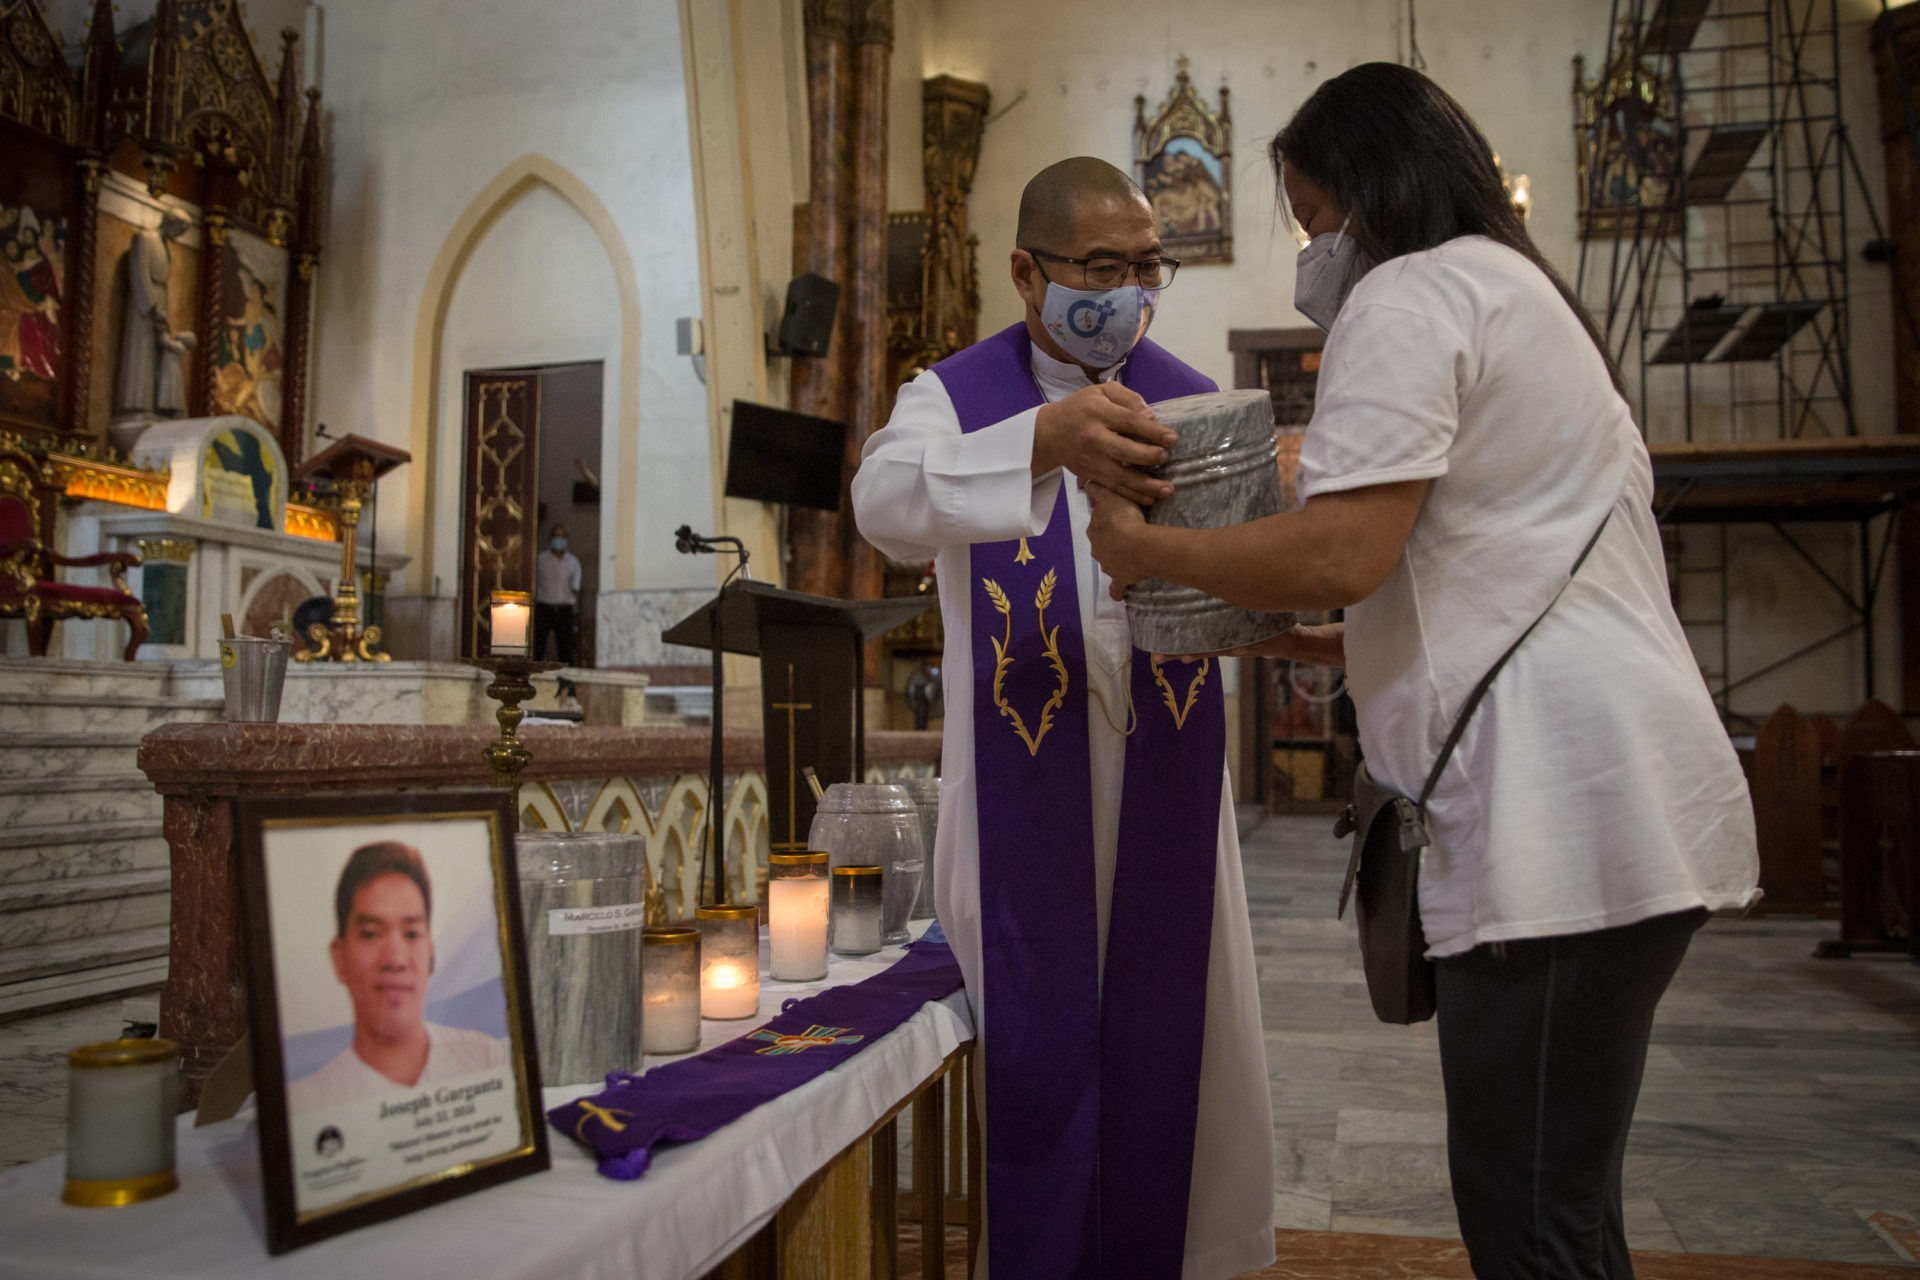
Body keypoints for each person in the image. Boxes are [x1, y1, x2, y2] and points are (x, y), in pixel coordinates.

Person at [1085, 64, 1759, 1280]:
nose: (1310, 252)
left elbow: (1346, 549)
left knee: (1528, 1213)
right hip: (1612, 802)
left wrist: (1148, 550)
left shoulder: (1409, 293)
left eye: (1308, 220)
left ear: (1368, 191)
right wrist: (1291, 639)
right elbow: (1473, 585)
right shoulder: (1514, 291)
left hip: (1560, 817)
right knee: (1562, 1199)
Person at [852, 156, 1273, 1280]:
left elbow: (1241, 581)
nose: (1130, 291)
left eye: (1147, 267)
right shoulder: (954, 396)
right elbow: (881, 504)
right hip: (1018, 801)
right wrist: (1042, 441)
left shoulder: (1193, 395)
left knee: (1172, 1050)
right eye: (1102, 266)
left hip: (1167, 786)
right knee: (1037, 1066)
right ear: (1028, 274)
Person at [288, 842, 509, 1112]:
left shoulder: (488, 1061)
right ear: (339, 957)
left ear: (430, 953)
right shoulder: (305, 1106)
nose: (395, 960)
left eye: (412, 934)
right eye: (371, 933)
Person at [534, 522, 582, 701]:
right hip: (544, 606)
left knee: (565, 649)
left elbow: (576, 587)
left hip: (564, 608)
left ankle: (567, 684)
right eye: (556, 536)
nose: (559, 540)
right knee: (539, 645)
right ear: (551, 538)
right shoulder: (540, 560)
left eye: (562, 536)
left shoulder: (573, 562)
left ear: (566, 539)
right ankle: (536, 681)